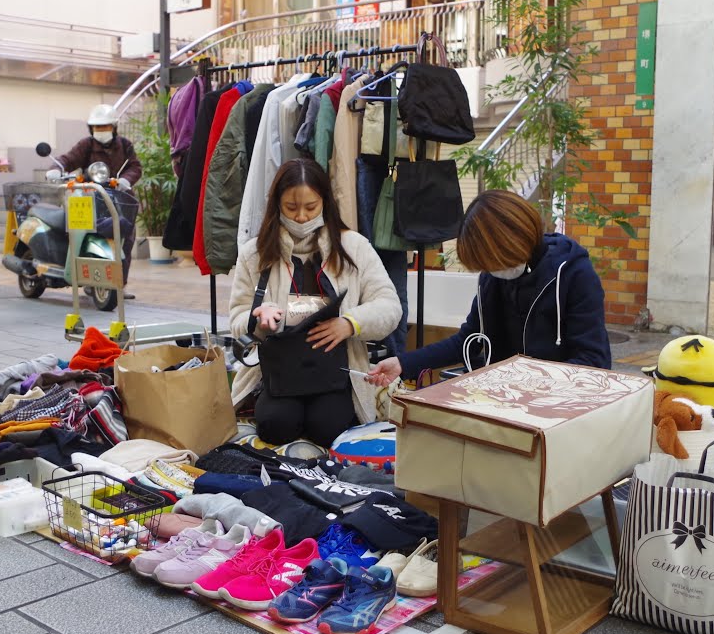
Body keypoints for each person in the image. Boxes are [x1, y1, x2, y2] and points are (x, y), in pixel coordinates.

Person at [230, 159, 402, 448]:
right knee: (275, 426)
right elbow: (236, 318)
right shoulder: (254, 253)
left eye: (310, 207)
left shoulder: (354, 247)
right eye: (290, 207)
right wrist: (256, 316)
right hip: (280, 372)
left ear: (325, 202)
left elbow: (390, 306)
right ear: (276, 205)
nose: (300, 217)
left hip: (335, 370)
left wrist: (350, 324)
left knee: (329, 427)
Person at [367, 190, 611, 387]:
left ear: (515, 241)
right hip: (507, 401)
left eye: (494, 262)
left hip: (562, 408)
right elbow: (469, 340)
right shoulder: (493, 278)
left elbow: (593, 362)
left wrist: (528, 381)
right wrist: (403, 363)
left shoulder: (574, 275)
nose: (492, 271)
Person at [54, 103, 142, 293]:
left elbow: (135, 166)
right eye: (97, 127)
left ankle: (120, 285)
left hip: (119, 198)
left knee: (125, 238)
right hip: (90, 197)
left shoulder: (125, 146)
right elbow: (68, 159)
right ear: (91, 128)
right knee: (87, 235)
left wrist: (126, 180)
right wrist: (57, 168)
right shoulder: (86, 145)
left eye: (106, 126)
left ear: (114, 127)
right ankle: (88, 277)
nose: (101, 130)